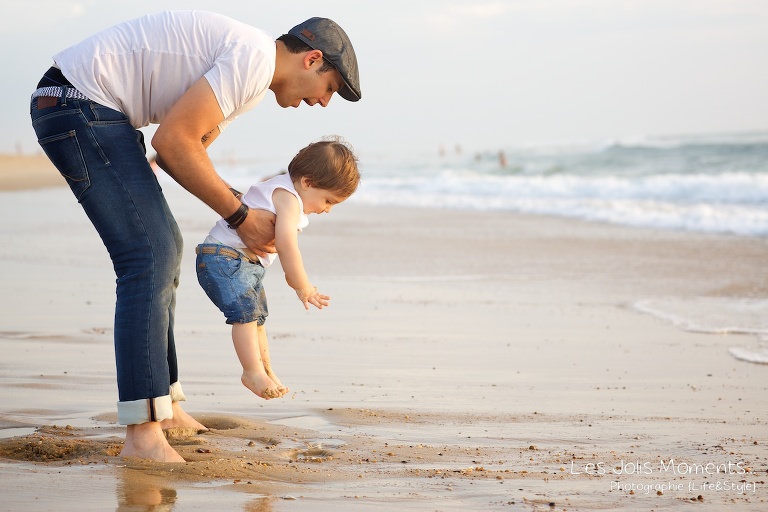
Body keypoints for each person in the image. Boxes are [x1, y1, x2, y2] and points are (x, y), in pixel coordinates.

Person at [28, 11, 361, 463]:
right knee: (149, 254)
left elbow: (187, 149)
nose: (324, 103)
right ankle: (143, 434)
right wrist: (240, 214)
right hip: (76, 101)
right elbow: (173, 142)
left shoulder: (253, 82)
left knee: (165, 248)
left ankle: (164, 409)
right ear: (313, 59)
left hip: (89, 110)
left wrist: (236, 204)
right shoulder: (254, 59)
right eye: (331, 89)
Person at [196, 138, 359, 401]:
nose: (327, 210)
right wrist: (302, 285)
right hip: (224, 259)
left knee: (257, 319)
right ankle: (251, 371)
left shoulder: (283, 190)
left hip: (240, 263)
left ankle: (264, 369)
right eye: (328, 201)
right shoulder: (289, 199)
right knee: (246, 316)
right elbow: (286, 244)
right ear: (307, 182)